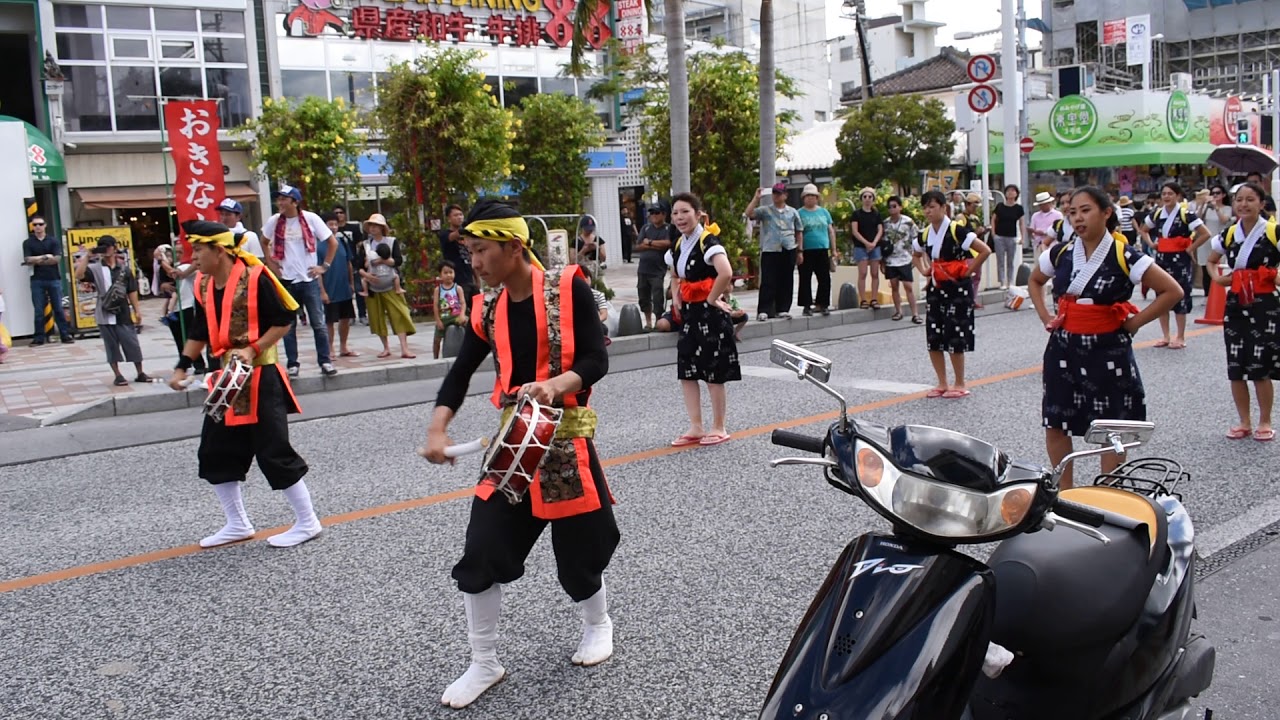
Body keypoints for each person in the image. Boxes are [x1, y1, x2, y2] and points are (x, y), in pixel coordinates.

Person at [422, 200, 619, 710]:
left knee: (578, 558)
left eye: (481, 250)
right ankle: (484, 661)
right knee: (481, 550)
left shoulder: (567, 284)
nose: (475, 263)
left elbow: (596, 358)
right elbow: (461, 370)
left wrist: (556, 384)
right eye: (469, 253)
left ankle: (597, 623)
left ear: (513, 246)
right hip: (513, 445)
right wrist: (438, 426)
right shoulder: (486, 307)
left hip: (563, 442)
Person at [167, 220, 321, 549]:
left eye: (198, 249)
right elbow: (199, 329)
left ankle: (308, 521)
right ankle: (237, 523)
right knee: (215, 449)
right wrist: (182, 367)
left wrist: (252, 350)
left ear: (219, 251)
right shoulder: (204, 285)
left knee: (273, 451)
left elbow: (284, 320)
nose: (192, 256)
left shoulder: (255, 277)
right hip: (227, 379)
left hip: (261, 375)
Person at [1028, 187, 1182, 489]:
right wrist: (1046, 316)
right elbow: (1035, 280)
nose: (1078, 218)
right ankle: (1065, 494)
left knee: (1111, 425)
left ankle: (1108, 492)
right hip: (1063, 348)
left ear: (1106, 213)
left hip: (1107, 349)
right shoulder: (1061, 253)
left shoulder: (1124, 254)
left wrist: (1135, 323)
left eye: (1085, 210)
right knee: (1056, 422)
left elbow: (1172, 291)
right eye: (1072, 212)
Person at [1206, 182, 1280, 442]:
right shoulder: (1229, 234)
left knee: (1260, 364)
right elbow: (1211, 260)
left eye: (1250, 199)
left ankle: (1265, 420)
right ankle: (1244, 421)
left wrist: (1274, 275)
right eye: (1239, 199)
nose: (1243, 204)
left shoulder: (1273, 232)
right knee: (1236, 364)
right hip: (1236, 304)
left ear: (1262, 203)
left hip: (1265, 305)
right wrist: (1218, 278)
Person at [666, 192, 740, 447]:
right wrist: (676, 296)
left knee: (712, 370)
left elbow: (726, 272)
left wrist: (711, 298)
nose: (679, 217)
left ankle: (718, 426)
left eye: (685, 211)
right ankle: (695, 426)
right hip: (690, 314)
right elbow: (675, 273)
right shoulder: (678, 243)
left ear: (698, 214)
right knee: (687, 369)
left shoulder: (708, 241)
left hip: (711, 314)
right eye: (675, 213)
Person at [913, 190, 991, 399]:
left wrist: (968, 269)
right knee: (934, 333)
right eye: (925, 207)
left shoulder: (957, 230)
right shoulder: (925, 233)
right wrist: (924, 270)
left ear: (943, 207)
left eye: (932, 206)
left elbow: (984, 250)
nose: (928, 211)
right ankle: (941, 382)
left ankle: (959, 381)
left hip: (957, 287)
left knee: (955, 332)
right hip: (937, 287)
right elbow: (916, 253)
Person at [261, 183, 338, 378]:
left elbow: (332, 242)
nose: (280, 203)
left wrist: (324, 267)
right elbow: (264, 241)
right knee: (289, 325)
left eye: (284, 199)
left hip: (309, 278)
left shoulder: (311, 219)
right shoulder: (275, 221)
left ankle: (325, 361)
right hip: (286, 279)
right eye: (279, 199)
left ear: (295, 201)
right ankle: (293, 363)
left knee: (318, 323)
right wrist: (271, 263)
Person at [72, 236, 149, 386]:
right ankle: (118, 374)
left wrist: (137, 310)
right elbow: (79, 275)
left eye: (108, 246)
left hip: (123, 311)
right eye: (102, 246)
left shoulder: (124, 269)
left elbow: (131, 290)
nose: (106, 249)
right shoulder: (95, 268)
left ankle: (140, 372)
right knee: (111, 346)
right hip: (105, 312)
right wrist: (87, 256)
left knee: (132, 343)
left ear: (115, 247)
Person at [1144, 181, 1211, 349]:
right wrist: (1151, 244)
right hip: (1161, 258)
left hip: (1180, 259)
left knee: (1181, 294)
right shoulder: (1157, 214)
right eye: (1164, 194)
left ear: (1178, 196)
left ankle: (1180, 336)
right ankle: (1165, 335)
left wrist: (1191, 248)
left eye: (1170, 194)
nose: (1166, 197)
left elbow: (1205, 233)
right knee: (1161, 295)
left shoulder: (1186, 213)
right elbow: (1144, 229)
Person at [355, 213, 416, 360]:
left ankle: (404, 348)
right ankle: (386, 347)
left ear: (382, 228)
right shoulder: (365, 245)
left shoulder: (391, 241)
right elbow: (358, 266)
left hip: (390, 283)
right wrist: (367, 276)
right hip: (373, 287)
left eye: (376, 225)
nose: (373, 228)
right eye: (371, 225)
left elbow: (398, 261)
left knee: (399, 314)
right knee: (377, 318)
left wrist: (383, 261)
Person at [746, 182, 801, 321]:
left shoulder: (793, 212)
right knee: (768, 280)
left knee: (786, 280)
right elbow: (749, 213)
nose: (776, 196)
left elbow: (799, 231)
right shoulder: (765, 210)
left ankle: (783, 309)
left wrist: (800, 250)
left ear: (785, 195)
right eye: (774, 193)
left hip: (788, 248)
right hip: (770, 249)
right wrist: (756, 198)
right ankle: (764, 309)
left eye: (779, 193)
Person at [21, 215, 75, 345]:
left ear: (45, 225)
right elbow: (27, 259)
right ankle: (39, 337)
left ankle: (65, 334)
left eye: (40, 224)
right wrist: (46, 257)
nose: (38, 227)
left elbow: (56, 259)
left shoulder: (53, 240)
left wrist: (37, 260)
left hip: (53, 278)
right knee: (39, 310)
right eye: (35, 225)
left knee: (58, 308)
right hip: (37, 279)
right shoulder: (28, 242)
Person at [318, 212, 359, 360]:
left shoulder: (342, 243)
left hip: (344, 288)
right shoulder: (319, 246)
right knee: (329, 321)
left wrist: (351, 283)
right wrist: (322, 292)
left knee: (345, 318)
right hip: (329, 288)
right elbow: (318, 271)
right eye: (330, 224)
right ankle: (330, 349)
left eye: (335, 224)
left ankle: (344, 347)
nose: (334, 227)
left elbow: (348, 263)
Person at [796, 183, 838, 316]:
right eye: (807, 196)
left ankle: (823, 304)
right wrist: (799, 250)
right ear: (803, 198)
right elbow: (797, 232)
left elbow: (830, 231)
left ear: (817, 198)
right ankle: (806, 305)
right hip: (806, 249)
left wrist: (834, 249)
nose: (810, 198)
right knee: (805, 278)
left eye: (813, 196)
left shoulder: (824, 212)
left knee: (824, 278)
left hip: (822, 249)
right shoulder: (799, 213)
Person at [635, 204, 675, 330]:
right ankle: (648, 323)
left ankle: (658, 320)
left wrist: (650, 242)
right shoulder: (645, 228)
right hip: (643, 268)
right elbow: (639, 246)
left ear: (664, 214)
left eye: (656, 213)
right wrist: (654, 245)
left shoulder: (668, 228)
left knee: (657, 295)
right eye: (651, 213)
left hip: (658, 269)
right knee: (643, 295)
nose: (653, 216)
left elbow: (667, 244)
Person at [882, 196, 921, 323]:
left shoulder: (908, 222)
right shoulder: (885, 223)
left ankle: (915, 313)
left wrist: (915, 254)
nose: (892, 209)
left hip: (905, 257)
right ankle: (898, 311)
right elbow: (882, 242)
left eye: (894, 206)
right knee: (894, 286)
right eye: (890, 207)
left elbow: (916, 238)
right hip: (890, 259)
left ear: (900, 207)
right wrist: (882, 261)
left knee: (908, 286)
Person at [849, 186, 884, 310]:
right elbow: (855, 231)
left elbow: (880, 229)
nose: (867, 199)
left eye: (870, 197)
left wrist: (874, 242)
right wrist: (866, 243)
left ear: (873, 199)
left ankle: (874, 299)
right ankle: (863, 299)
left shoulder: (877, 214)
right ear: (861, 199)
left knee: (875, 273)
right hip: (860, 247)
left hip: (875, 247)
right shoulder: (856, 214)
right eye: (865, 197)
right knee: (862, 273)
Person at [333, 205, 367, 323]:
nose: (339, 215)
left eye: (341, 212)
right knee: (346, 290)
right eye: (336, 213)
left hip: (354, 261)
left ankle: (362, 314)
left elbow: (360, 243)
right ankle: (350, 316)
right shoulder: (332, 230)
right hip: (339, 264)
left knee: (358, 288)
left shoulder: (353, 227)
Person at [438, 204, 478, 301]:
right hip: (456, 279)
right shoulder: (444, 234)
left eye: (461, 215)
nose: (459, 217)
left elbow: (471, 256)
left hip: (469, 277)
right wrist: (465, 228)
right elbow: (452, 236)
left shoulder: (467, 236)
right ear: (449, 219)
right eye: (455, 215)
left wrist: (476, 278)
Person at [990, 185, 1027, 289]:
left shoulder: (1018, 208)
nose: (1010, 193)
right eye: (1008, 191)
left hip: (1012, 237)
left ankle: (1010, 281)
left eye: (1013, 191)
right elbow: (993, 219)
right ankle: (1002, 282)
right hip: (999, 236)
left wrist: (1023, 237)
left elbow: (1021, 223)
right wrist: (993, 233)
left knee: (1010, 261)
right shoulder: (1000, 206)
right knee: (1000, 261)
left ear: (1016, 194)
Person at [1198, 185, 1232, 295]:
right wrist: (1203, 204)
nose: (1215, 195)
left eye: (1217, 193)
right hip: (1205, 242)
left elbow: (1224, 221)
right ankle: (1206, 294)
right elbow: (1198, 220)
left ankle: (1217, 293)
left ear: (1223, 195)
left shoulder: (1227, 209)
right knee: (1205, 268)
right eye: (1213, 193)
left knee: (1217, 268)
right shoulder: (1206, 209)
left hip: (1218, 241)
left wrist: (1216, 208)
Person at [433, 260, 468, 359]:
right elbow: (435, 306)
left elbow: (463, 303)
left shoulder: (458, 288)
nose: (449, 275)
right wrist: (438, 320)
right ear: (440, 274)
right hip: (444, 318)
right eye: (445, 273)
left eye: (451, 272)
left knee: (469, 325)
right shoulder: (438, 290)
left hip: (456, 316)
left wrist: (462, 315)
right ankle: (435, 357)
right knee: (437, 339)